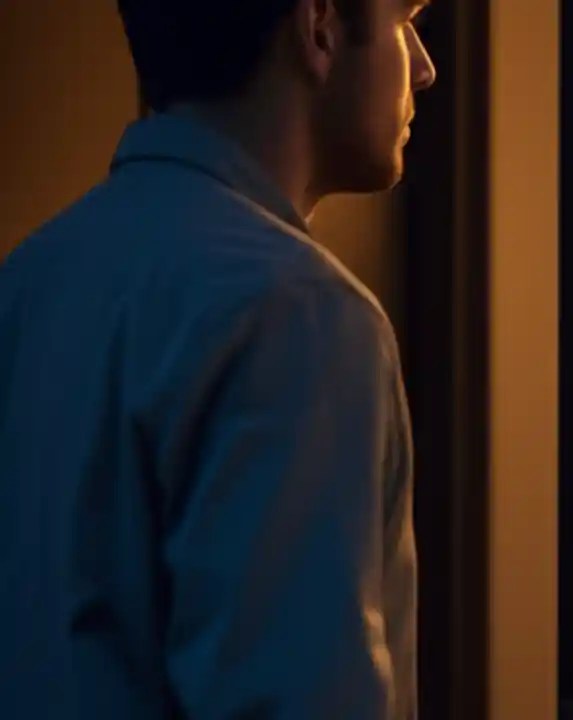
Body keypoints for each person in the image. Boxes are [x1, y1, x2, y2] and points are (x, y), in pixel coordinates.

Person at [0, 0, 435, 717]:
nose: (424, 67)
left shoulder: (29, 281)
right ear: (320, 26)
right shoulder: (300, 313)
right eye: (404, 20)